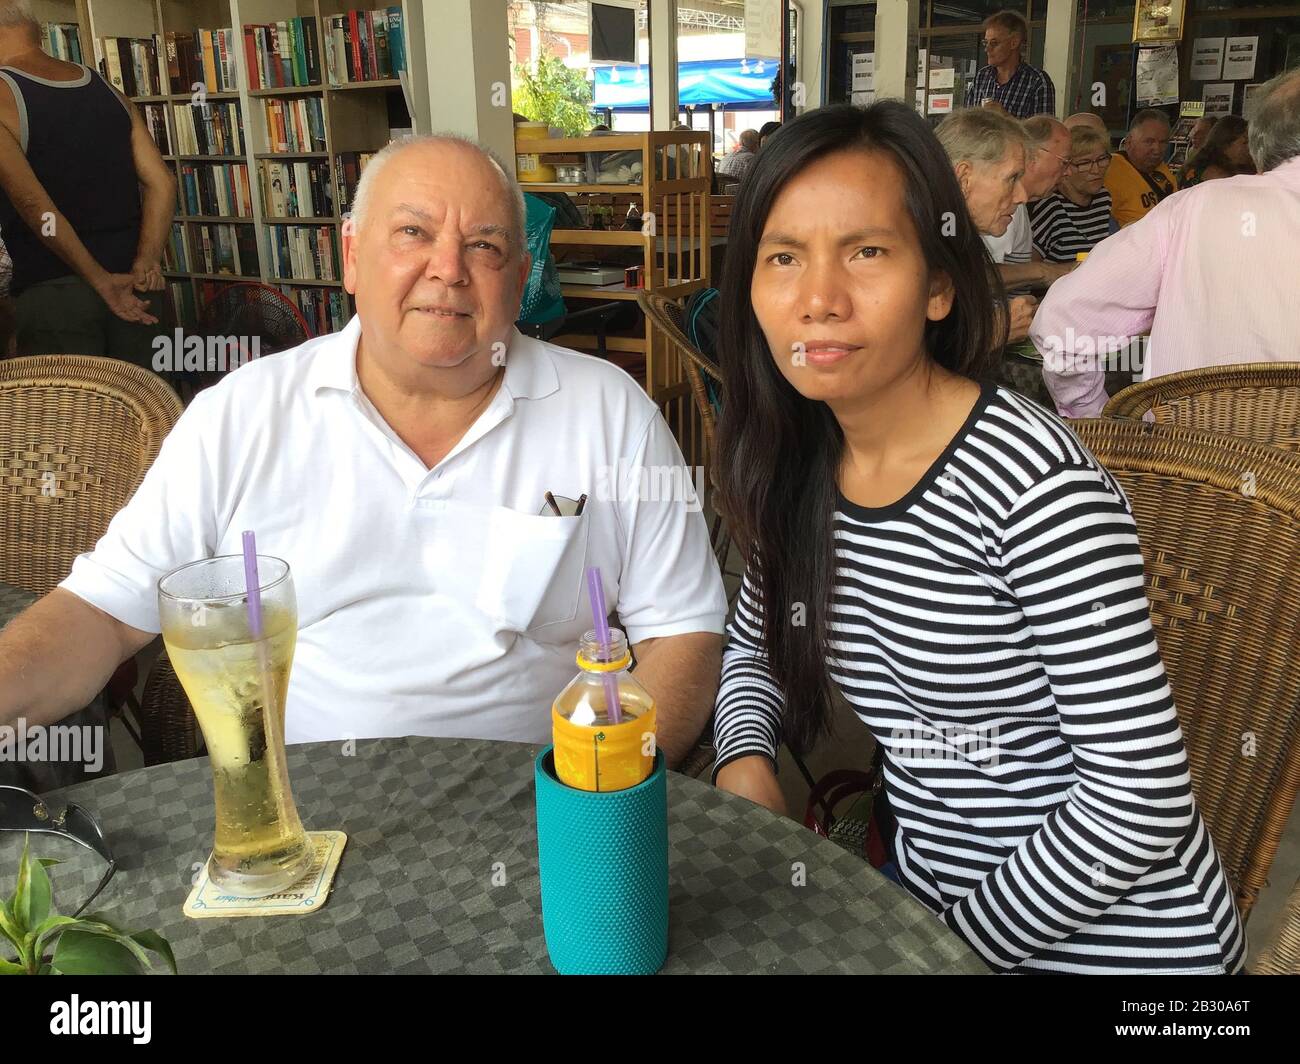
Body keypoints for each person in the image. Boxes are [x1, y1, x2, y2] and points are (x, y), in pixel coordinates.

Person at [709, 100, 1245, 974]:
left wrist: (939, 946)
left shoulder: (1032, 490)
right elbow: (758, 643)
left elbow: (1137, 800)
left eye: (867, 251)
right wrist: (743, 761)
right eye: (783, 258)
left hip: (1124, 949)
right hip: (930, 899)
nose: (818, 299)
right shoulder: (806, 459)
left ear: (938, 284)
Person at [0, 135, 727, 764]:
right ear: (351, 256)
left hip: (547, 803)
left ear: (519, 275)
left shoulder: (608, 410)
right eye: (413, 233)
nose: (449, 268)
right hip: (309, 821)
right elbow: (101, 613)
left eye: (484, 244)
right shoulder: (244, 413)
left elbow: (684, 630)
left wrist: (602, 797)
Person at [1033, 69, 1300, 417]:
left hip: (1182, 459)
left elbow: (1062, 321)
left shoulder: (1193, 207)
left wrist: (1092, 420)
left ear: (1257, 146)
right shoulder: (1179, 198)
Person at [0, 0, 172, 364]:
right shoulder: (105, 88)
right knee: (149, 412)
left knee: (72, 419)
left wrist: (100, 282)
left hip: (58, 296)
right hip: (138, 287)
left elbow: (37, 209)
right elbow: (162, 182)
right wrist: (147, 260)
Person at [935, 108, 1035, 341]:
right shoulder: (919, 241)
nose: (1022, 196)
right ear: (963, 179)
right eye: (1012, 178)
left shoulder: (950, 231)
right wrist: (995, 330)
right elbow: (897, 361)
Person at [985, 115, 1076, 292]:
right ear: (1033, 156)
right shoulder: (1004, 203)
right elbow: (977, 277)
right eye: (1064, 162)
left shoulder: (1019, 204)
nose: (1069, 172)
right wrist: (1045, 271)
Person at [1028, 124, 1117, 262]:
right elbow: (1030, 268)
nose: (1096, 170)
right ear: (1065, 167)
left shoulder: (1103, 197)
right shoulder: (1051, 205)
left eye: (1102, 159)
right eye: (1085, 163)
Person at [969, 10, 1055, 120]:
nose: (987, 49)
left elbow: (1045, 133)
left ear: (1014, 43)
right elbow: (967, 126)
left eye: (994, 43)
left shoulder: (1037, 81)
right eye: (986, 42)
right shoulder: (981, 77)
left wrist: (1006, 117)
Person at [1105, 108, 1178, 227]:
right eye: (1149, 142)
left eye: (1163, 142)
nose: (1157, 149)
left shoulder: (1164, 172)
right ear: (1129, 142)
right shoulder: (1110, 169)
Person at [1179, 114, 1254, 187]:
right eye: (1245, 142)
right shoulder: (1217, 175)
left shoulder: (1200, 163)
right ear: (1226, 143)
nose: (1249, 147)